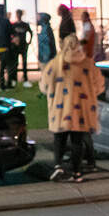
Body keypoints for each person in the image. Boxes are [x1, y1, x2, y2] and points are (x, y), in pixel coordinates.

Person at [40, 33, 103, 183]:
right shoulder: (88, 64)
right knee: (77, 141)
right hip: (81, 110)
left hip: (60, 110)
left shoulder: (55, 64)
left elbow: (44, 85)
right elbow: (99, 86)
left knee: (59, 139)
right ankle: (77, 172)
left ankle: (58, 165)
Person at [9, 8, 33, 85]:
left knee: (24, 63)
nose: (18, 16)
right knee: (15, 63)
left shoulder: (25, 24)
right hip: (16, 47)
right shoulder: (14, 25)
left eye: (19, 14)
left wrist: (29, 42)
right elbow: (10, 35)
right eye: (17, 14)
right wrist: (13, 41)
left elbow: (30, 32)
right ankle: (14, 79)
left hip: (23, 46)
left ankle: (25, 78)